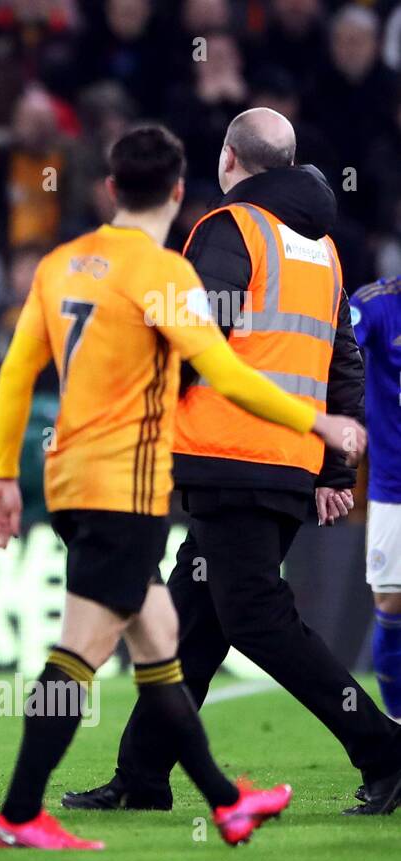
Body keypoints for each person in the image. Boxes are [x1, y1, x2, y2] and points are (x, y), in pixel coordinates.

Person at [0, 123, 366, 849]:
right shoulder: (276, 256)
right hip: (180, 474)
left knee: (177, 641)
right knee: (122, 644)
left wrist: (3, 473)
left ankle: (208, 792)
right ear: (179, 188)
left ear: (108, 188)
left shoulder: (68, 262)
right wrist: (325, 436)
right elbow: (259, 366)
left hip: (123, 470)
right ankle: (58, 803)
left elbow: (16, 374)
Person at [64, 108, 401, 817]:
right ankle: (142, 775)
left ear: (228, 160)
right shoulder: (323, 247)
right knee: (196, 620)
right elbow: (342, 358)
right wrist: (335, 468)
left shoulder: (229, 228)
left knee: (254, 617)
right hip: (285, 459)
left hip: (229, 454)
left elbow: (195, 338)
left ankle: (385, 749)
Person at [350, 278, 401, 719]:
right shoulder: (375, 306)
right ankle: (396, 726)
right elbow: (336, 350)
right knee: (390, 602)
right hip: (393, 487)